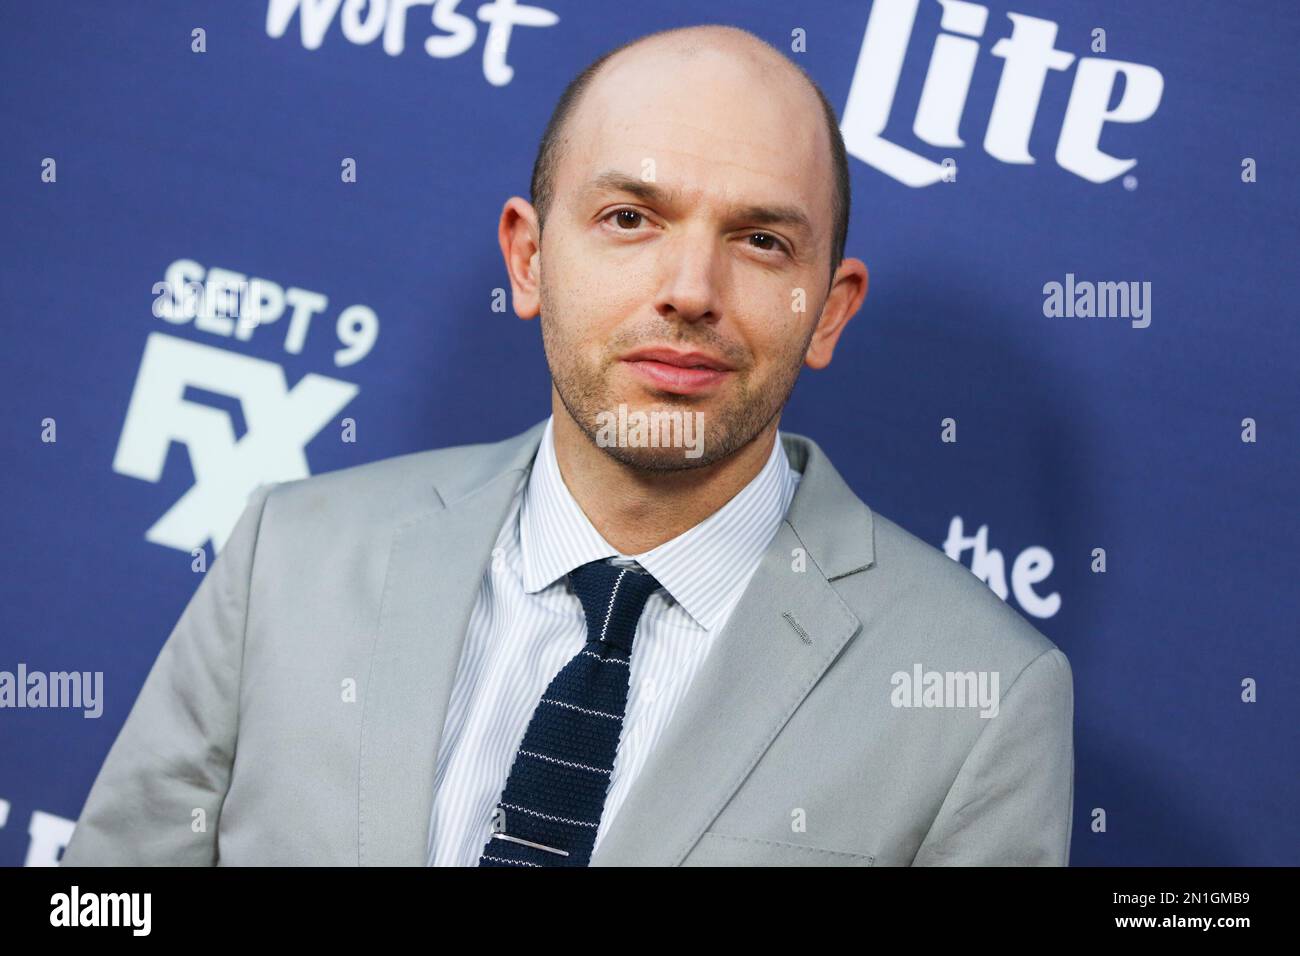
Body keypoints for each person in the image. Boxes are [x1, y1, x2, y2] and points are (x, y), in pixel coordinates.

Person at [61, 23, 1073, 867]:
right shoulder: (290, 553)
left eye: (761, 240)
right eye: (630, 217)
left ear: (829, 311)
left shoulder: (982, 698)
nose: (690, 290)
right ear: (529, 256)